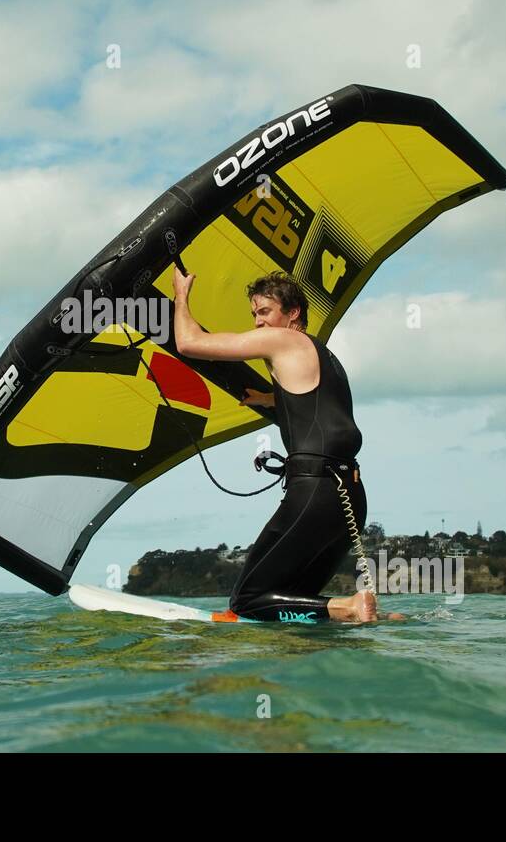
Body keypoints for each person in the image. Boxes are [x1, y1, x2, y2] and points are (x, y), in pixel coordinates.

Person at [172, 266, 403, 624]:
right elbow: (315, 410)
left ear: (292, 313)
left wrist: (181, 295)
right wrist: (269, 399)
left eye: (264, 312)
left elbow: (190, 343)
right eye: (254, 315)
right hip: (350, 497)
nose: (258, 323)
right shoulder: (325, 358)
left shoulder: (283, 341)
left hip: (316, 492)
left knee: (247, 600)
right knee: (296, 604)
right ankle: (373, 617)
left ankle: (348, 606)